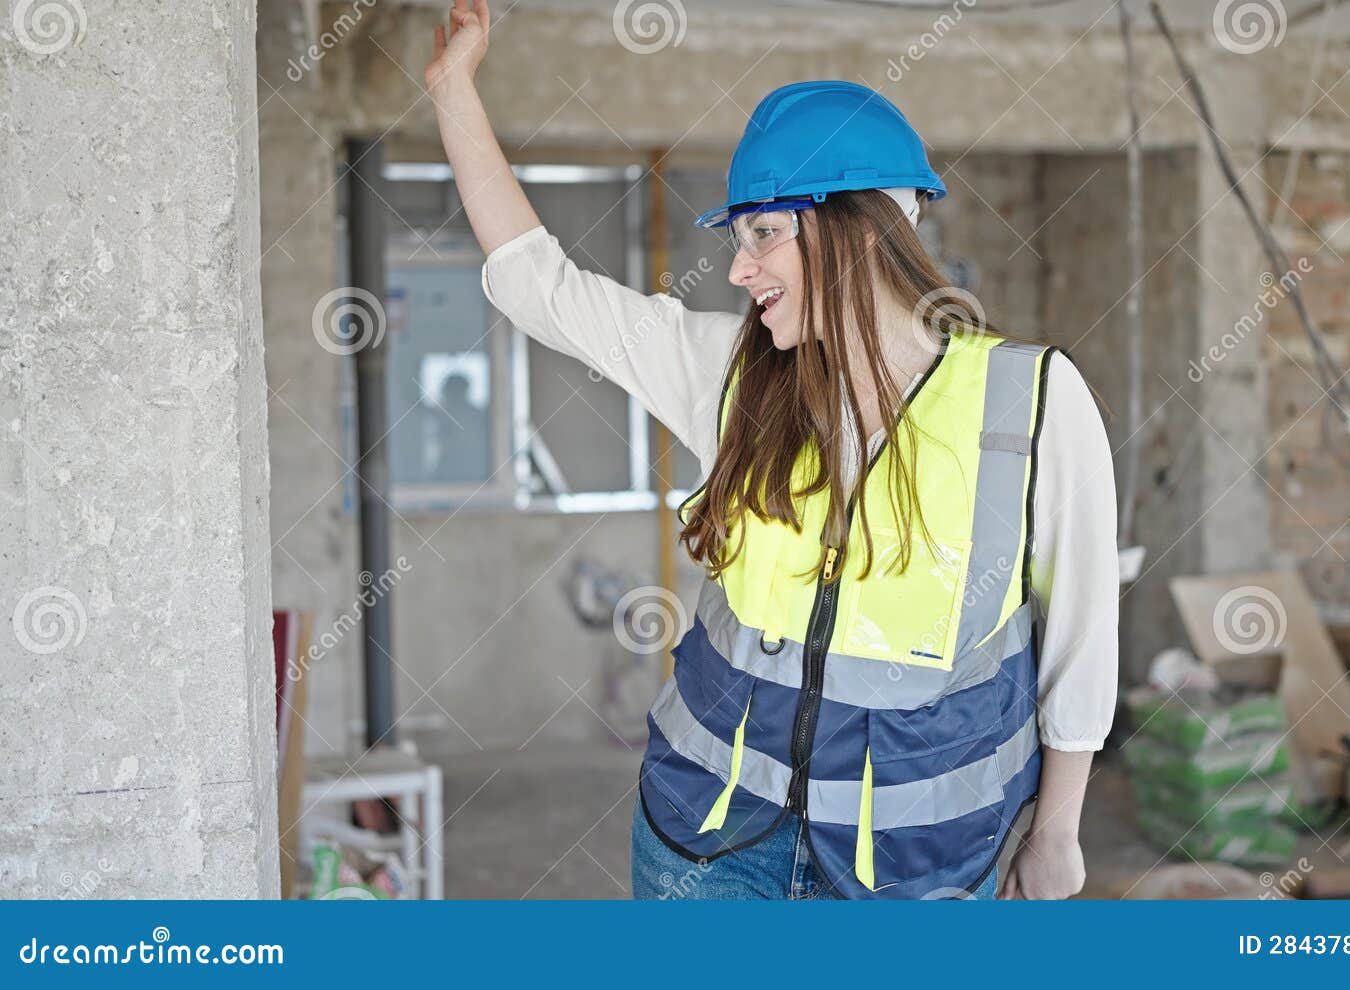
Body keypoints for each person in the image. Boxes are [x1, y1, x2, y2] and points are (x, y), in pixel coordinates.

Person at [426, 0, 1118, 900]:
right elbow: (538, 287)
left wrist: (1058, 831)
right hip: (710, 843)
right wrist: (451, 91)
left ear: (859, 228)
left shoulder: (1032, 402)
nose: (737, 268)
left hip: (914, 869)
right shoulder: (733, 373)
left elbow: (1080, 635)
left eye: (763, 233)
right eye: (736, 238)